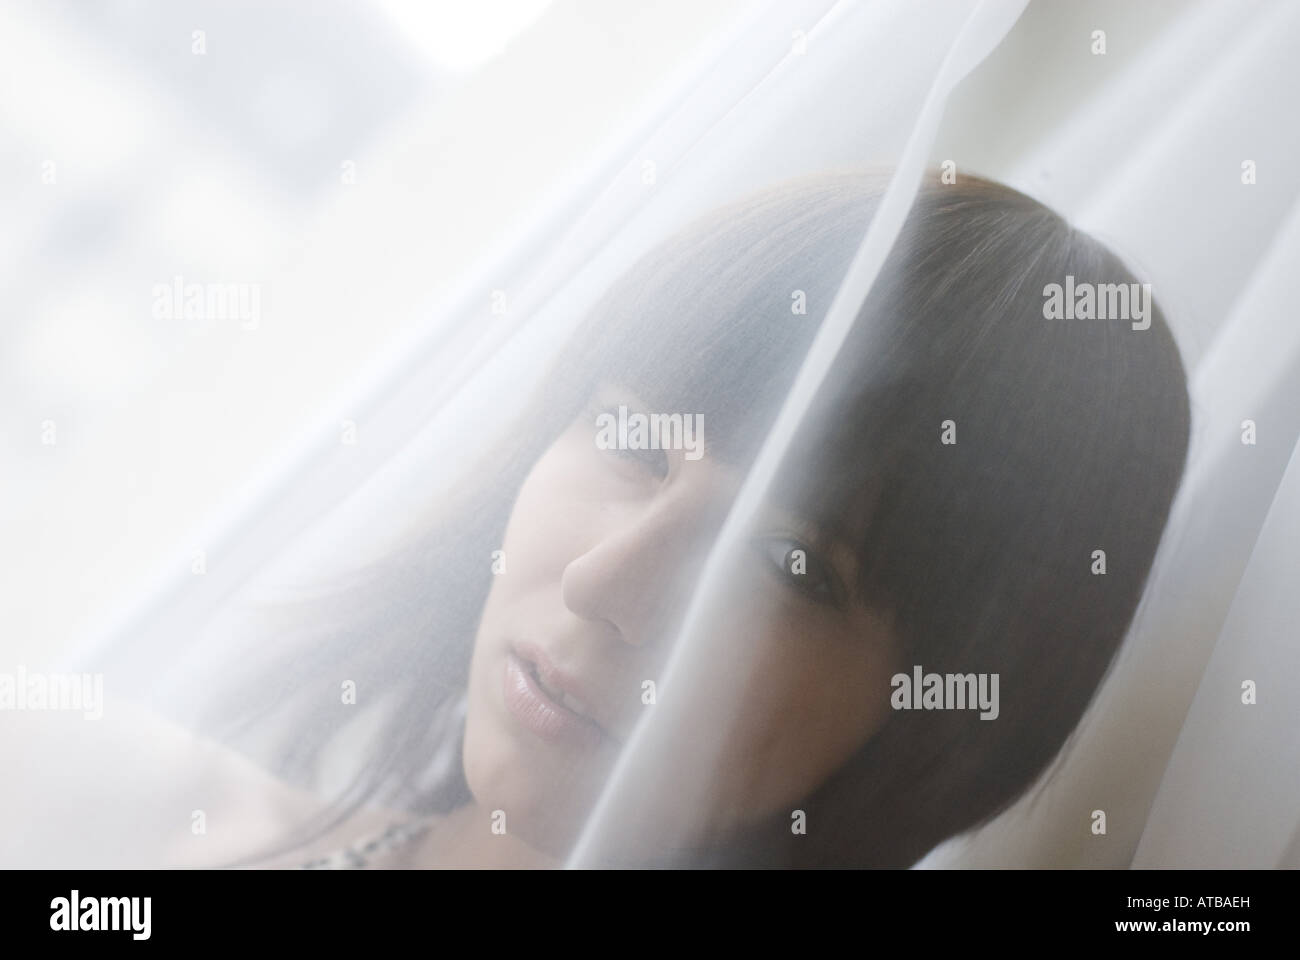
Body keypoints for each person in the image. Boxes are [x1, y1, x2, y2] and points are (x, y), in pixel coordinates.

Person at [190, 170, 1191, 869]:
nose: (604, 583)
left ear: (929, 723)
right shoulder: (106, 811)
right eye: (631, 439)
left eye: (790, 563)